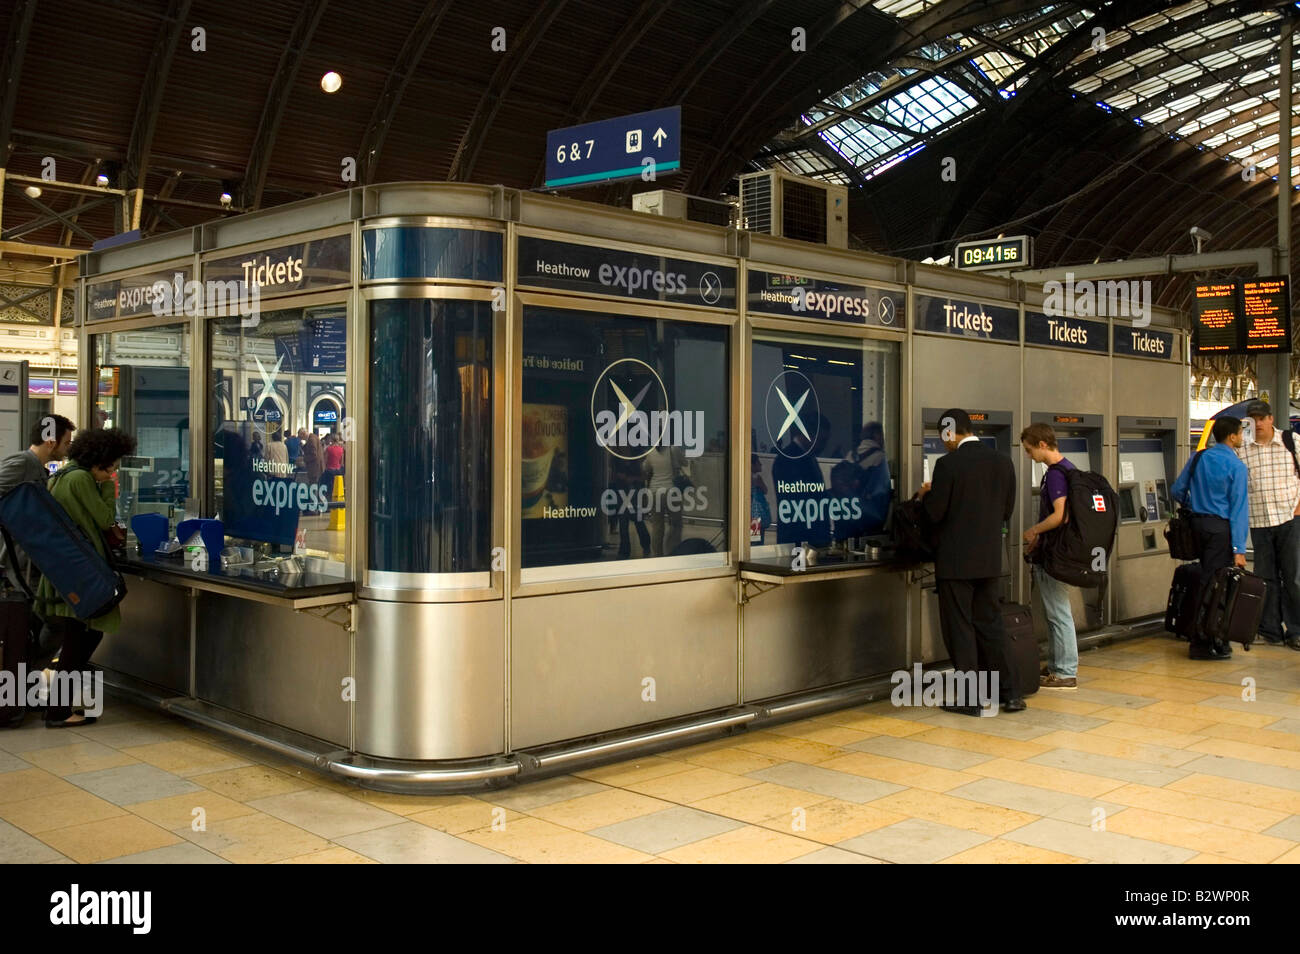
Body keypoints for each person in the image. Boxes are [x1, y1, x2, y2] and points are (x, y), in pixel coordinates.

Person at [918, 408, 1023, 713]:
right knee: (991, 625)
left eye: (943, 437)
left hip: (955, 563)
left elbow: (935, 513)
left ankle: (971, 699)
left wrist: (925, 495)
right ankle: (1011, 694)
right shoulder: (1003, 463)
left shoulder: (948, 465)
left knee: (960, 628)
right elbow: (1006, 510)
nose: (943, 443)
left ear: (950, 433)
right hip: (990, 560)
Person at [35, 427, 137, 727]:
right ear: (100, 459)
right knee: (81, 639)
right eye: (112, 467)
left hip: (67, 571)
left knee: (78, 638)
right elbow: (105, 519)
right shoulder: (81, 479)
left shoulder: (64, 475)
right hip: (80, 574)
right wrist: (108, 487)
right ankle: (58, 712)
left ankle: (57, 706)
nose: (113, 472)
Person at [1170, 415, 1249, 660]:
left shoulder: (1199, 457)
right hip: (1219, 531)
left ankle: (1199, 633)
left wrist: (1196, 505)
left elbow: (1177, 490)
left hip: (1197, 526)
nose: (1242, 437)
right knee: (1215, 585)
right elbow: (1238, 510)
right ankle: (1205, 640)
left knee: (1203, 578)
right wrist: (1239, 549)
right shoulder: (1236, 467)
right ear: (1232, 436)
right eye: (1240, 433)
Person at [1236, 400, 1300, 650]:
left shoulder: (1291, 442)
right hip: (1259, 521)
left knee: (1293, 578)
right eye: (1253, 418)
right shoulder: (1242, 448)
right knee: (1266, 578)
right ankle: (1270, 629)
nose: (1258, 423)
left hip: (1290, 519)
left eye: (1262, 418)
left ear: (1271, 419)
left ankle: (1296, 630)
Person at [1020, 422, 1079, 690]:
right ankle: (1057, 667)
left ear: (1043, 445)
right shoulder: (1070, 468)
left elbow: (1060, 515)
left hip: (1054, 554)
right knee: (1057, 611)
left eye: (1030, 450)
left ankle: (1065, 670)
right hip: (1061, 550)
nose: (1029, 455)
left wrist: (1034, 531)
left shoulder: (1056, 474)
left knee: (1058, 613)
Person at [0, 414, 76, 590]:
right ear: (50, 442)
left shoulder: (38, 468)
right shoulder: (23, 462)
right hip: (18, 560)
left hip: (31, 557)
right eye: (66, 443)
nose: (68, 448)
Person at [643, 444, 688, 557]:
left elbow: (645, 468)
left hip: (655, 492)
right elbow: (685, 463)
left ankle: (657, 555)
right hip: (671, 492)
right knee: (675, 524)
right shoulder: (673, 449)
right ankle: (672, 551)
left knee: (657, 526)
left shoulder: (651, 453)